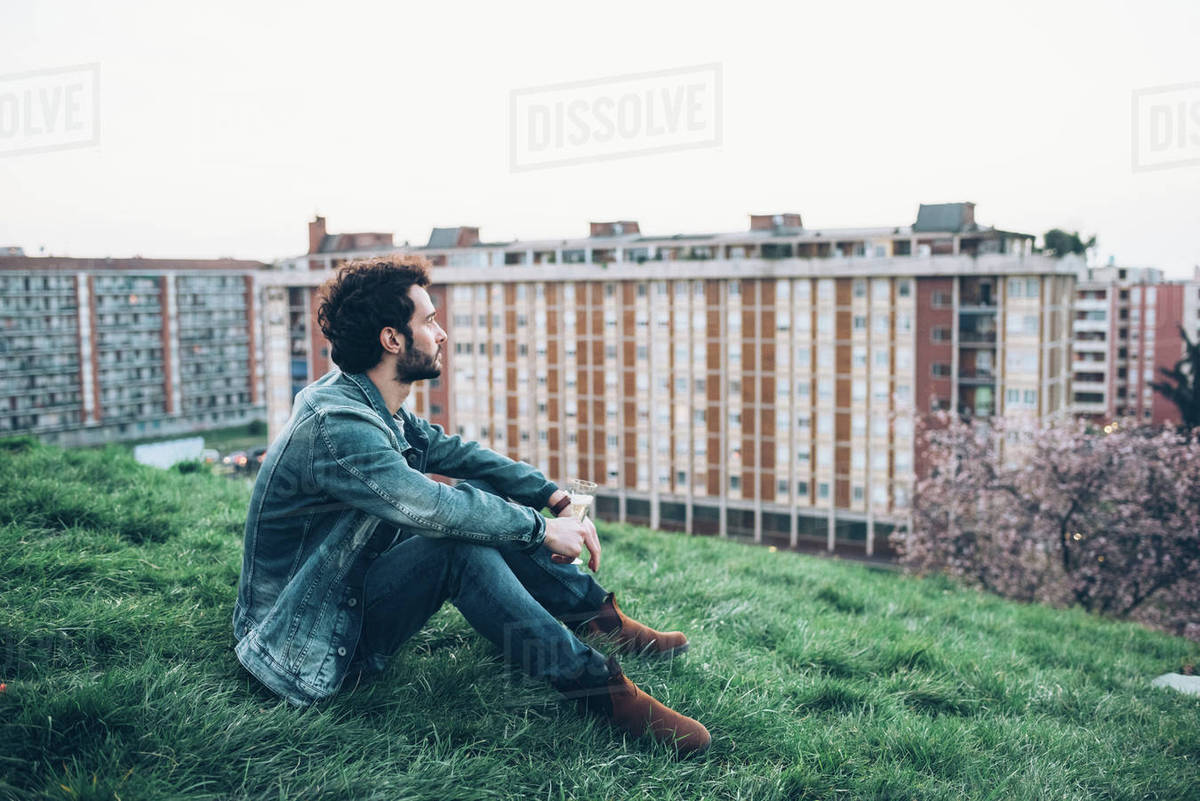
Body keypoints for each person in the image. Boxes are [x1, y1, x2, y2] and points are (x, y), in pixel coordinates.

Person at [232, 254, 710, 757]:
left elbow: (451, 451)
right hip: (301, 641)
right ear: (392, 339)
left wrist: (552, 496)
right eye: (429, 321)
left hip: (341, 589)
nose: (441, 334)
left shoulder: (364, 399)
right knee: (461, 543)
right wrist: (542, 530)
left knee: (483, 516)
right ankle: (600, 689)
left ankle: (601, 622)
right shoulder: (341, 428)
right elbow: (436, 506)